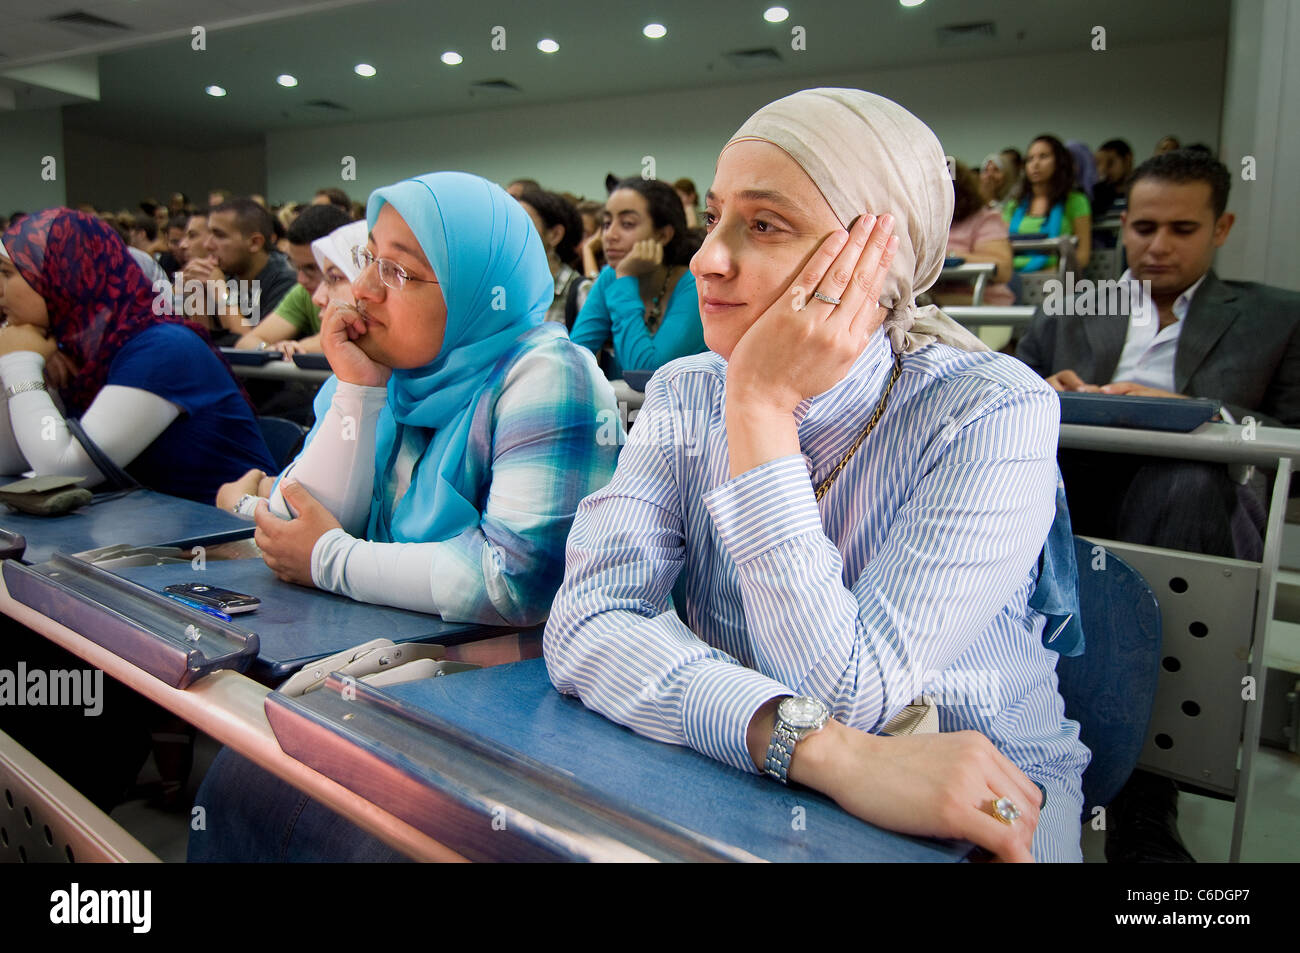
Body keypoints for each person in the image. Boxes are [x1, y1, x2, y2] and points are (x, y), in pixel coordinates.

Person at [545, 88, 1089, 863]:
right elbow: (585, 622)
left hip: (981, 803)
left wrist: (762, 409)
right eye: (716, 219)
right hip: (753, 781)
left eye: (764, 224)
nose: (706, 258)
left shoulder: (991, 408)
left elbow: (852, 694)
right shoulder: (686, 389)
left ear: (879, 257)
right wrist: (818, 749)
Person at [192, 173, 622, 862]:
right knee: (242, 783)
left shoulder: (548, 372)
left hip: (513, 703)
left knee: (335, 826)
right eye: (369, 258)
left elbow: (512, 580)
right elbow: (286, 523)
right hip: (387, 667)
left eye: (401, 272)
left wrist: (331, 558)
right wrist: (357, 397)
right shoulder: (385, 371)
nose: (362, 290)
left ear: (479, 290)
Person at [1017, 148, 1300, 862]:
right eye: (1142, 227)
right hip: (1072, 476)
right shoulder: (1074, 304)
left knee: (1184, 484)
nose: (1157, 246)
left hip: (1194, 498)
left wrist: (1195, 413)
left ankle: (1143, 795)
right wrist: (1044, 387)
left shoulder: (1275, 316)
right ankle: (1015, 729)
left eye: (1181, 228)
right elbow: (1005, 388)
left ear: (1221, 226)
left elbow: (1292, 437)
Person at [0, 208, 275, 503]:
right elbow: (8, 459)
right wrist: (33, 363)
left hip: (232, 538)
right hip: (156, 535)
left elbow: (65, 469)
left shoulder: (162, 348)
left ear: (62, 276)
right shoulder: (77, 348)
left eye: (6, 273)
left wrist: (19, 363)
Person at [569, 177, 705, 377]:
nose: (610, 235)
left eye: (627, 224)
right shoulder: (610, 276)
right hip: (626, 408)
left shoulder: (695, 286)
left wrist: (625, 278)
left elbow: (644, 374)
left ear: (663, 235)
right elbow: (573, 359)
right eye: (606, 223)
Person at [235, 203, 351, 354]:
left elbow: (346, 339)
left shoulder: (364, 292)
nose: (300, 279)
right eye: (296, 267)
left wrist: (295, 349)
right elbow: (245, 343)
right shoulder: (302, 292)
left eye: (311, 268)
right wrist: (272, 350)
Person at [192, 198, 298, 344]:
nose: (207, 245)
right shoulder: (228, 278)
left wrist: (219, 291)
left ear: (254, 243)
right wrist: (197, 290)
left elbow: (252, 347)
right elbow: (204, 343)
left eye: (219, 235)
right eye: (209, 234)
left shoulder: (288, 282)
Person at [930, 160, 1014, 307]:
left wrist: (952, 256)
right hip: (936, 300)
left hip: (981, 301)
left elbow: (1002, 269)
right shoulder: (930, 223)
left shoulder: (986, 219)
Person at [1003, 135, 1092, 273]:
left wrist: (1051, 274)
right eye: (1030, 159)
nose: (1035, 164)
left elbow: (1083, 256)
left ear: (1059, 162)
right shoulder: (1014, 205)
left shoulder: (1076, 201)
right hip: (1012, 276)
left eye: (1043, 157)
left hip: (1057, 279)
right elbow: (1001, 248)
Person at [518, 190, 585, 328]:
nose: (513, 231)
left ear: (555, 235)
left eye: (524, 222)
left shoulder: (580, 290)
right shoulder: (510, 288)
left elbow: (588, 349)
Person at [1092, 139, 1133, 218]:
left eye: (1110, 162)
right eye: (1100, 163)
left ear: (1127, 159)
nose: (1105, 169)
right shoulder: (1098, 195)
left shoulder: (1141, 191)